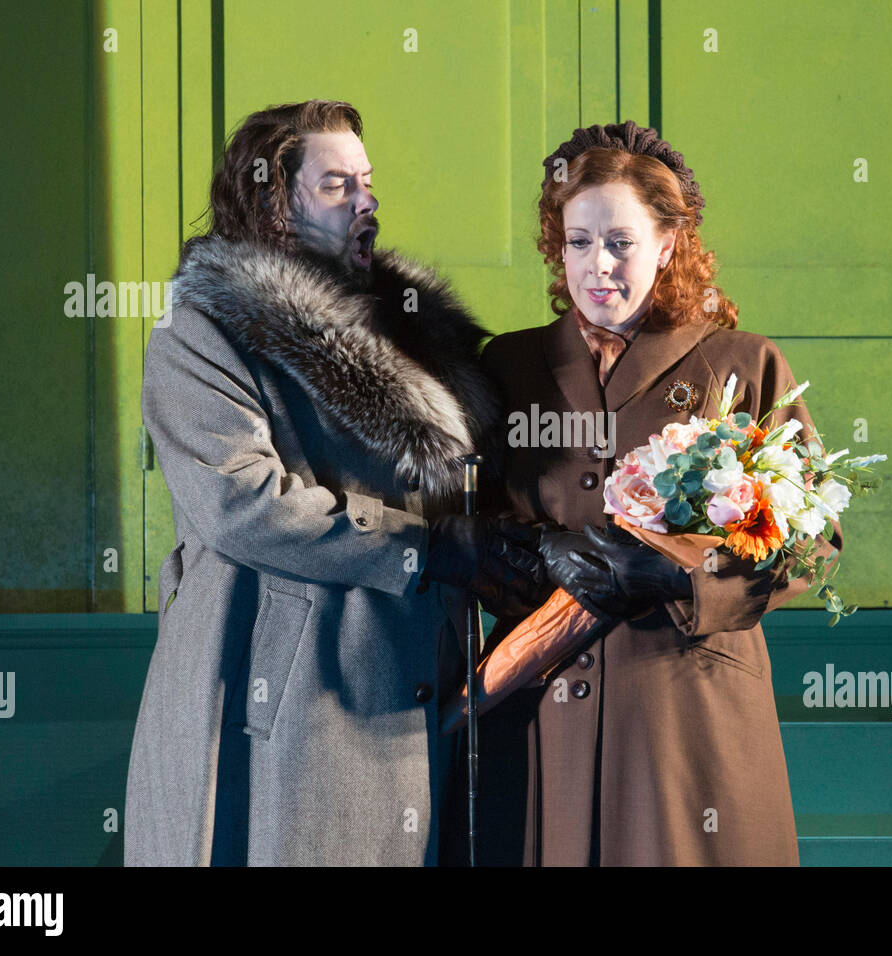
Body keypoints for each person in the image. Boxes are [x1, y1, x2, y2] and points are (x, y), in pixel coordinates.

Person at [124, 100, 545, 866]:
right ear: (274, 204)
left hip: (420, 685)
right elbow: (240, 504)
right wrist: (425, 547)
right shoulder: (203, 328)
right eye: (337, 185)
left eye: (368, 181)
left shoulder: (410, 325)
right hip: (288, 694)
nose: (367, 202)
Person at [446, 121, 845, 866]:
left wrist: (683, 576)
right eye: (578, 242)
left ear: (667, 244)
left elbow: (814, 541)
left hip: (686, 721)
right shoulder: (506, 367)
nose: (598, 266)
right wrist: (533, 553)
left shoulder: (745, 364)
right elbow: (463, 529)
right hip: (537, 716)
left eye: (621, 242)